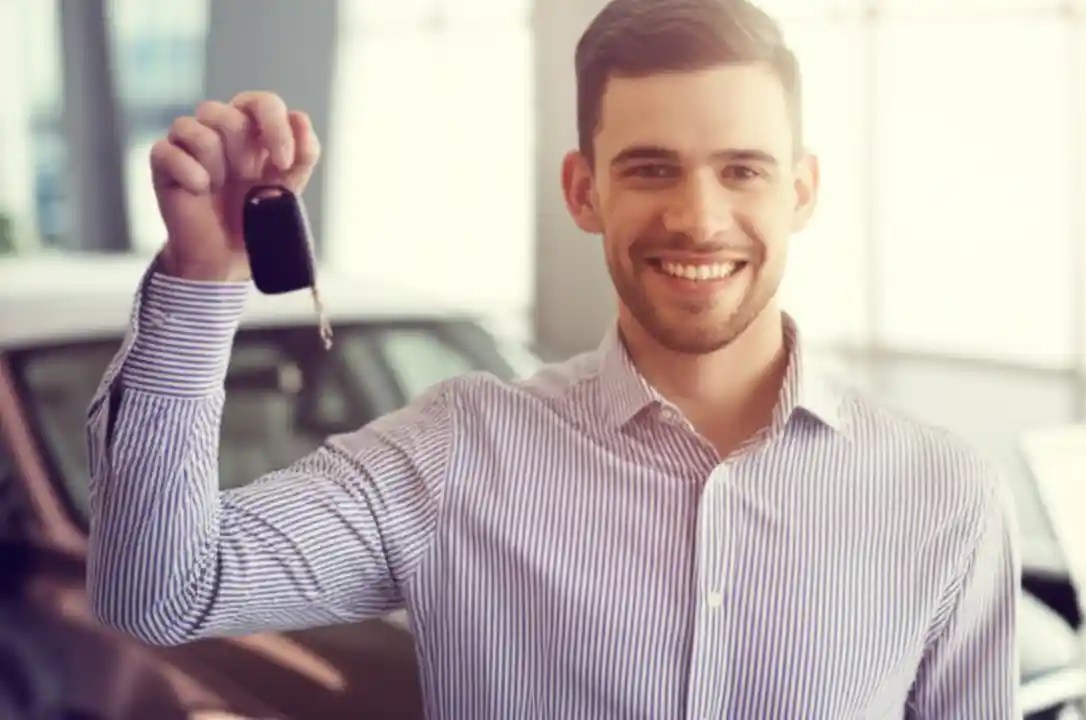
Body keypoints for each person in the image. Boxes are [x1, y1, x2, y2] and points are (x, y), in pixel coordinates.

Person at [85, 0, 1019, 716]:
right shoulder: (457, 455)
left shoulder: (944, 492)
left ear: (802, 190)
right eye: (651, 167)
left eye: (743, 169)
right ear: (583, 189)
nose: (699, 217)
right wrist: (202, 278)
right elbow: (159, 590)